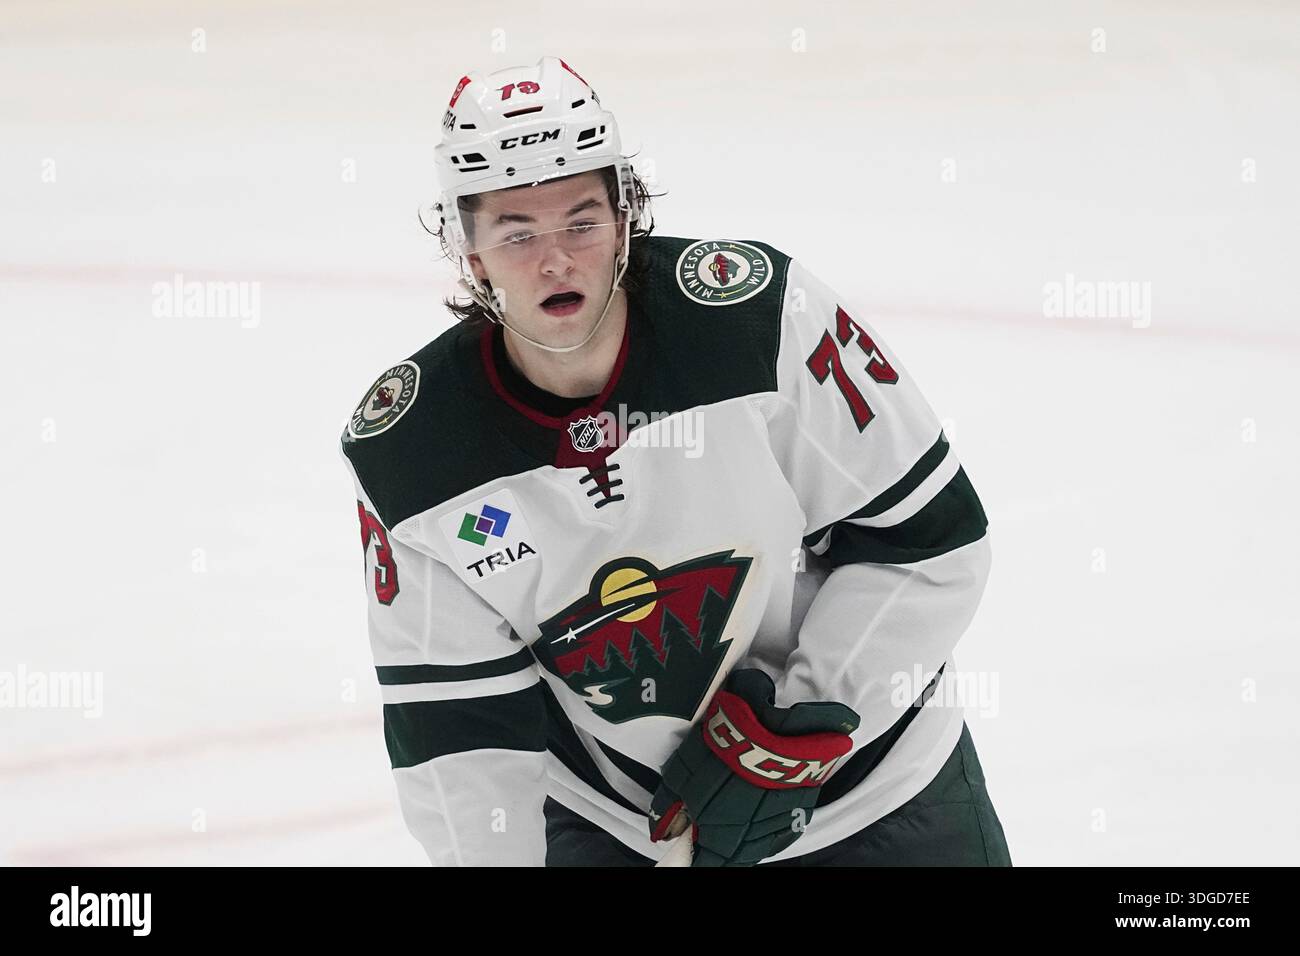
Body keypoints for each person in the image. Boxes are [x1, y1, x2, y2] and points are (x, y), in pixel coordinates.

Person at [339, 55, 1011, 866]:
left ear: (625, 214)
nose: (555, 260)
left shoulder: (757, 323)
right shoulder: (413, 452)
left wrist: (795, 728)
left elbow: (931, 544)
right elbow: (459, 737)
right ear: (468, 248)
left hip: (881, 795)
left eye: (581, 222)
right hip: (621, 828)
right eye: (517, 234)